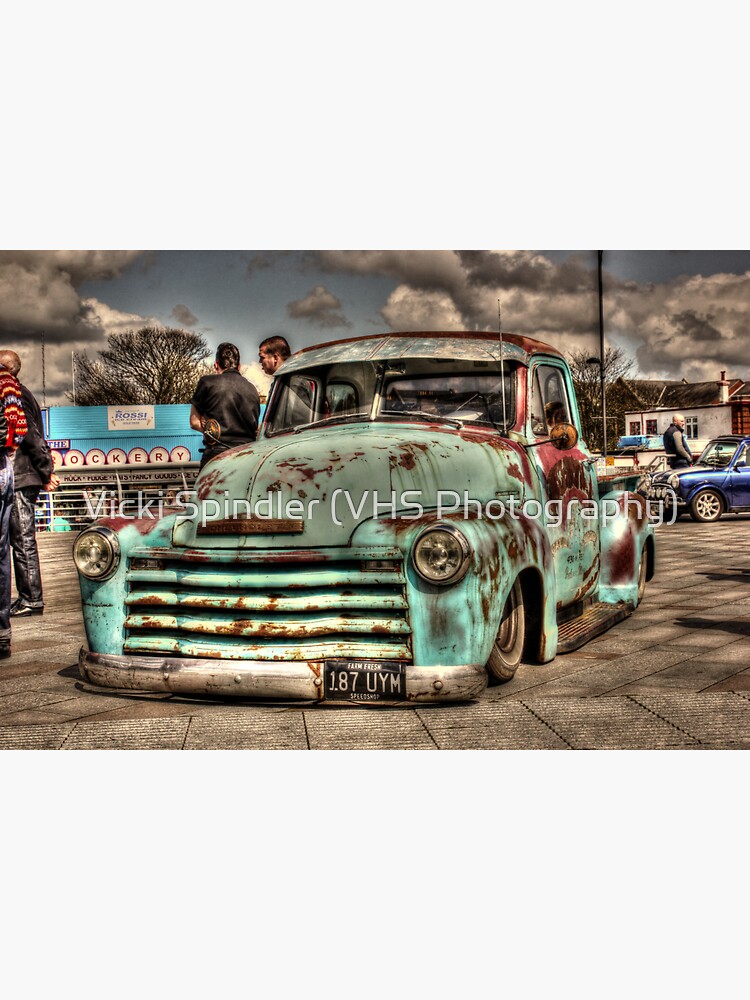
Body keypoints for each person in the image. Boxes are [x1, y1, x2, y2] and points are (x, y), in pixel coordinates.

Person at [0, 351, 59, 618]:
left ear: (9, 370)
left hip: (22, 476)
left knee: (22, 539)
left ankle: (31, 599)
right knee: (20, 538)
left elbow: (32, 437)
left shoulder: (16, 395)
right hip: (24, 475)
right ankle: (28, 597)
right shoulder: (18, 392)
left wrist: (46, 472)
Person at [190, 342, 260, 469]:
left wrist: (210, 429)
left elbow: (194, 422)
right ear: (239, 367)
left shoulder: (207, 383)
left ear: (216, 365)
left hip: (216, 455)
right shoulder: (253, 389)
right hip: (248, 457)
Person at [0, 355, 27, 659]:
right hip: (1, 465)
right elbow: (17, 430)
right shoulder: (7, 381)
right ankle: (1, 632)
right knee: (1, 551)